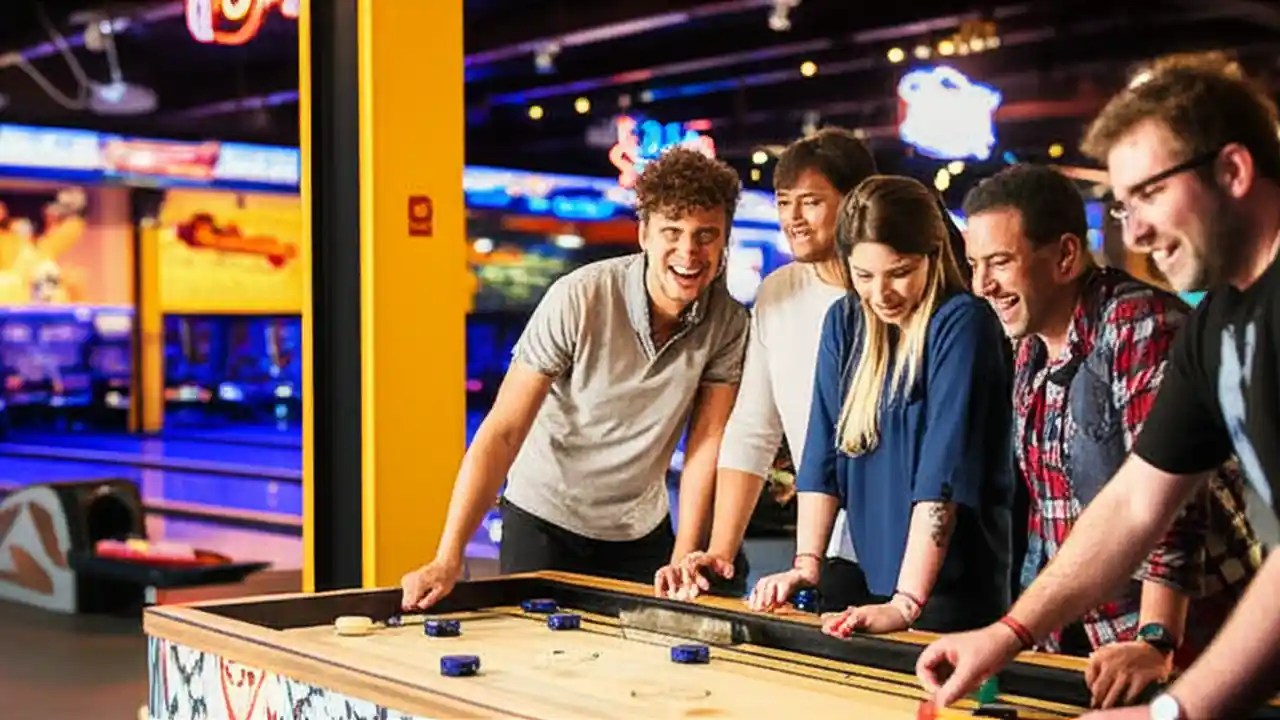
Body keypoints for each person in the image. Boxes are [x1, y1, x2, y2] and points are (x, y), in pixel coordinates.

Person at [915, 53, 1280, 720]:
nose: (1133, 229)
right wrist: (1008, 634)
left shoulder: (1154, 319)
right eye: (1122, 203)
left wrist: (1170, 690)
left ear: (1232, 171)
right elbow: (1137, 502)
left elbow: (1180, 525)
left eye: (1150, 194)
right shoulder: (1218, 324)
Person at [962, 163, 1261, 709]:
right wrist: (1032, 633)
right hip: (1096, 636)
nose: (983, 285)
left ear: (1066, 256)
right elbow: (1049, 517)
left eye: (1000, 262)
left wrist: (1155, 639)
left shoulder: (1139, 322)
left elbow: (1169, 508)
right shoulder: (1028, 349)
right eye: (975, 265)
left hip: (1198, 634)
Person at [400, 147, 749, 610]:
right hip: (545, 517)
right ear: (644, 234)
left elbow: (706, 442)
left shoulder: (727, 322)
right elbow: (503, 431)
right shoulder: (580, 298)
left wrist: (684, 554)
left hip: (638, 528)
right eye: (673, 232)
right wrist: (448, 557)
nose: (689, 252)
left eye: (706, 236)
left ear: (724, 241)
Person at [752, 175, 1013, 633]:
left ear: (933, 256)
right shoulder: (846, 321)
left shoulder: (963, 323)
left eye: (900, 272)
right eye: (864, 275)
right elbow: (821, 455)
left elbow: (942, 474)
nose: (880, 294)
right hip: (873, 580)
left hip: (951, 593)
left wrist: (907, 603)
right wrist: (806, 564)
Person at [653, 128, 878, 609]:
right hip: (826, 546)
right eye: (783, 202)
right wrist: (719, 551)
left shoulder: (890, 295)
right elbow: (753, 429)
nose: (793, 218)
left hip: (905, 540)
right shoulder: (777, 292)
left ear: (856, 202)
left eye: (811, 202)